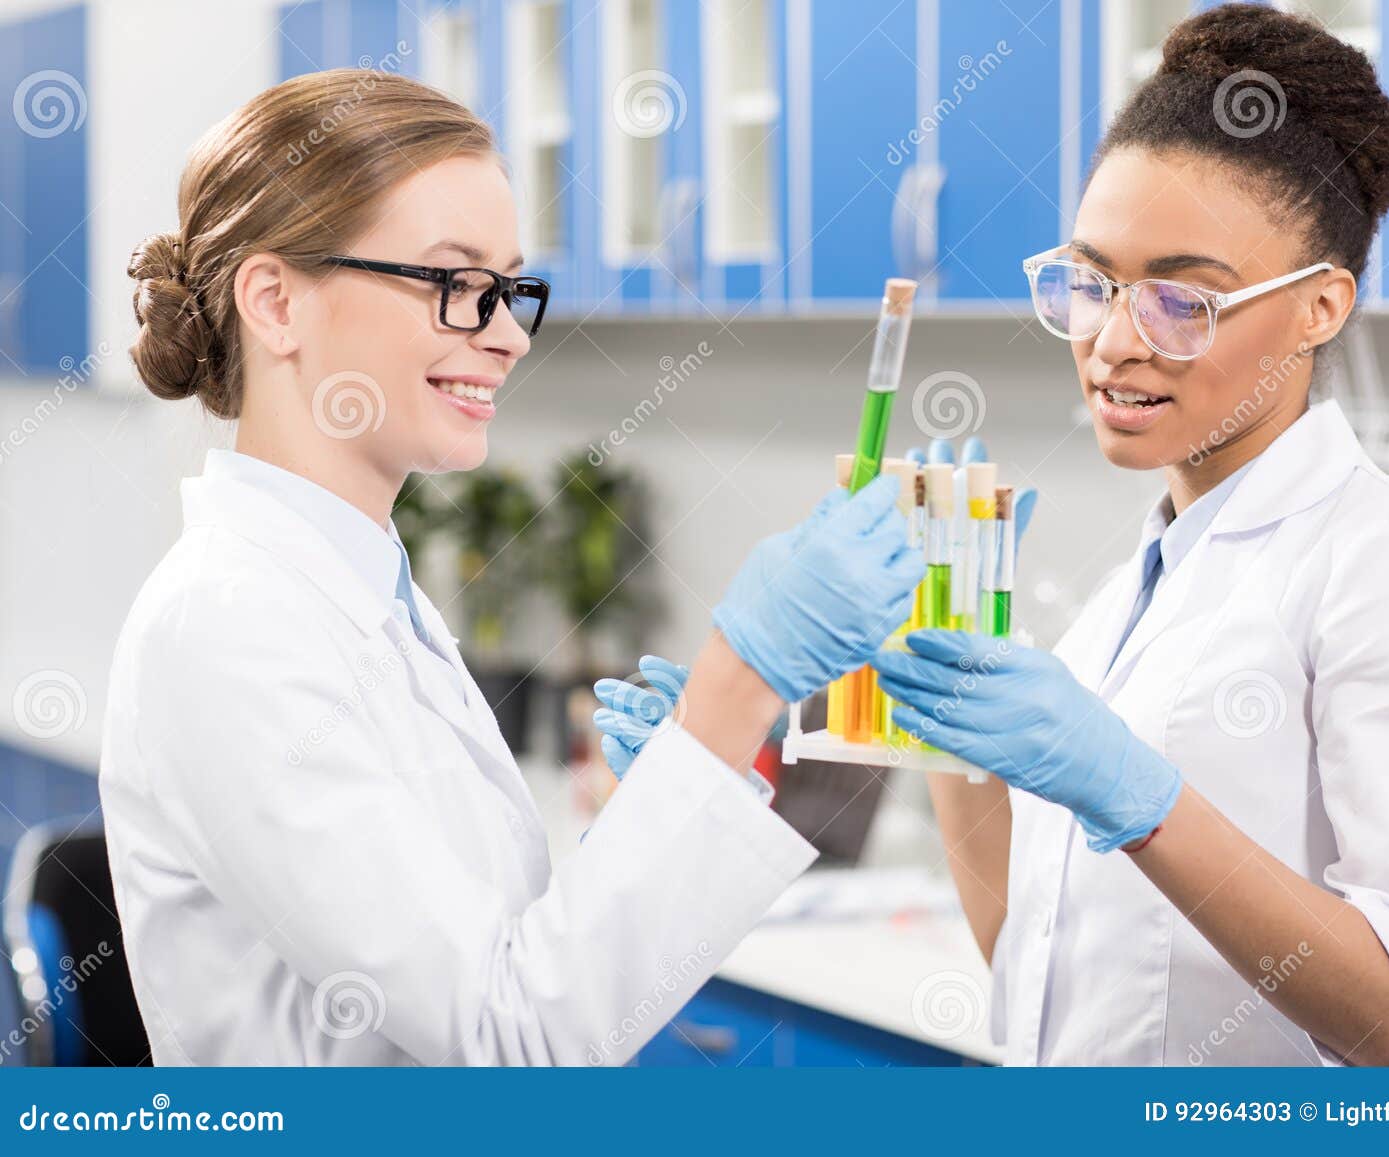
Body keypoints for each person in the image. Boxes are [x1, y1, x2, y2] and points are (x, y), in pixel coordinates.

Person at [595, 4, 1389, 1066]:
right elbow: (1024, 972)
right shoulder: (1141, 581)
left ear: (1318, 307)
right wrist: (932, 718)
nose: (1113, 341)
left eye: (1181, 298)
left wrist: (1130, 788)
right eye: (1091, 282)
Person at [98, 70, 923, 1066]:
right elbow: (509, 1040)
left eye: (509, 286)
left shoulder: (364, 595)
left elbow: (504, 959)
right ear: (276, 301)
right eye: (454, 285)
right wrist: (731, 693)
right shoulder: (228, 626)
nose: (507, 331)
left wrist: (669, 790)